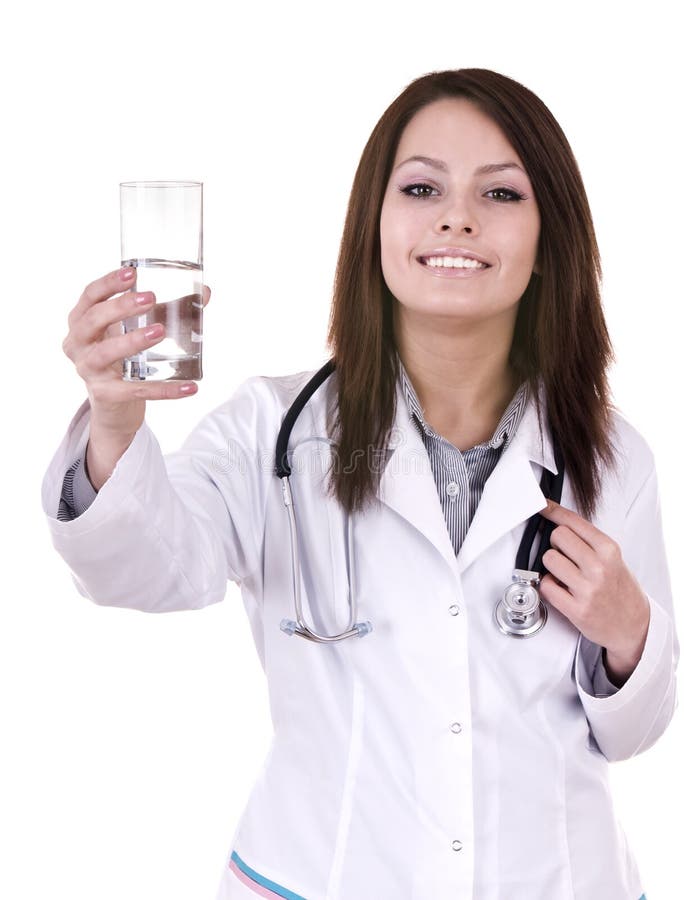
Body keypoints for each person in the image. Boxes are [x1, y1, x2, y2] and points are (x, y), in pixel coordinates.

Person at [41, 69, 675, 900]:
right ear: (372, 227)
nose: (457, 217)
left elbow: (632, 733)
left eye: (501, 194)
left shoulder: (612, 457)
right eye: (421, 187)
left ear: (549, 239)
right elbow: (145, 567)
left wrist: (630, 635)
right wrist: (115, 421)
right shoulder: (274, 431)